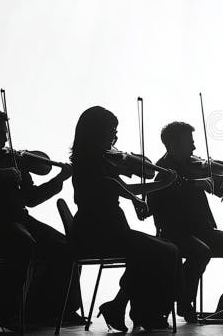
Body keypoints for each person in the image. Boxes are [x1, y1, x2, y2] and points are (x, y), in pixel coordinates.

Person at [0, 107, 82, 329]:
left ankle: (51, 310)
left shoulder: (13, 159)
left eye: (5, 131)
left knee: (64, 247)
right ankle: (1, 311)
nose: (5, 137)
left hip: (19, 220)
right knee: (22, 243)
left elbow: (31, 198)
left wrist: (59, 180)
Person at [69, 106, 182, 331]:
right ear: (95, 131)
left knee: (162, 249)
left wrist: (158, 184)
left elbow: (123, 186)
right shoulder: (87, 161)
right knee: (164, 251)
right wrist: (146, 192)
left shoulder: (103, 159)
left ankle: (127, 308)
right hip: (96, 230)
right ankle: (145, 313)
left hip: (111, 227)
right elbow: (116, 186)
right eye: (111, 130)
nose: (115, 136)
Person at [148, 121, 223, 321]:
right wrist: (194, 184)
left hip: (204, 231)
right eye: (189, 142)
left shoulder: (196, 168)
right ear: (173, 145)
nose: (194, 147)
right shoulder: (164, 171)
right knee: (200, 251)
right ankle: (182, 300)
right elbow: (158, 205)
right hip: (176, 234)